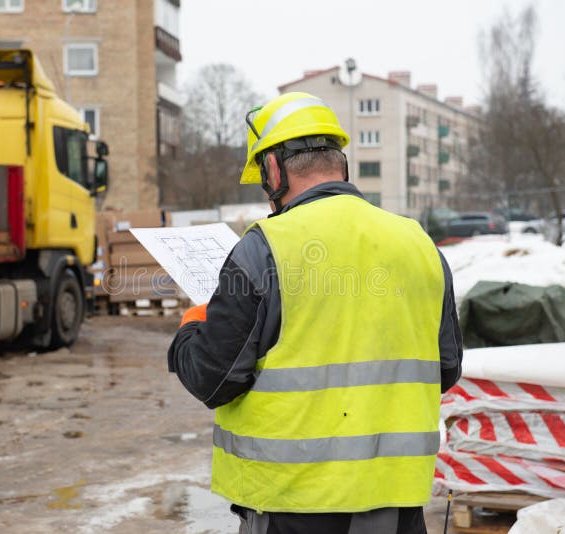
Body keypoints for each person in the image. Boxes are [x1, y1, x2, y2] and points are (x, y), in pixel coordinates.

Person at [168, 91, 462, 534]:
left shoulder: (264, 248)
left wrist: (191, 329)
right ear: (342, 164)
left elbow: (214, 378)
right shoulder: (419, 244)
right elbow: (446, 368)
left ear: (273, 169)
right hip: (396, 507)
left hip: (292, 506)